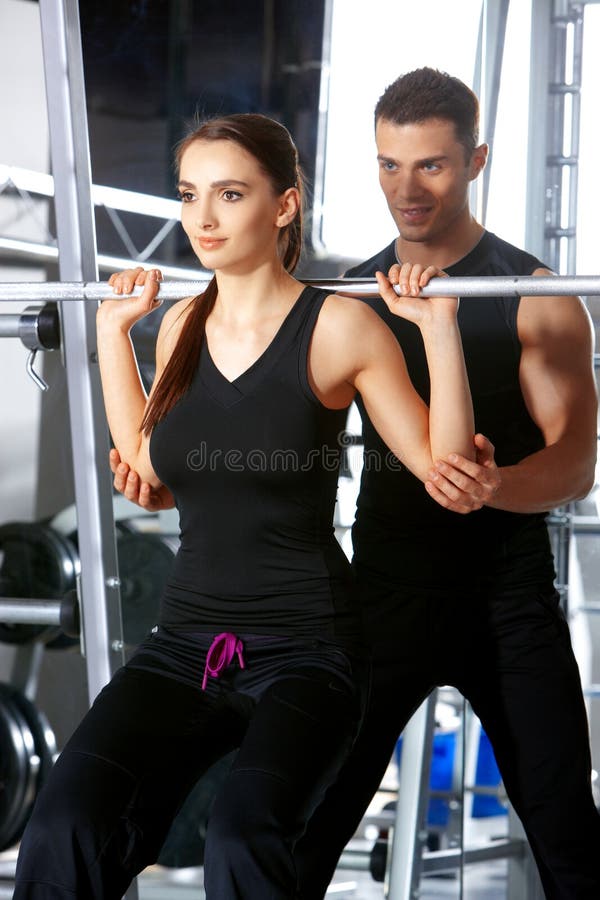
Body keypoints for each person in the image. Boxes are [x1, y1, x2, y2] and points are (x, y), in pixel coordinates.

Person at [112, 69, 600, 898]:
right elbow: (252, 418)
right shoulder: (341, 301)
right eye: (387, 165)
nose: (405, 190)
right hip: (378, 593)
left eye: (432, 167)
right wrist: (168, 472)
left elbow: (577, 462)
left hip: (506, 597)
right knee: (303, 830)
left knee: (565, 829)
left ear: (475, 160)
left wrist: (492, 486)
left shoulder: (534, 297)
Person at [13, 111, 475, 899]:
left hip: (309, 651)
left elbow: (448, 472)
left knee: (242, 836)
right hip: (184, 641)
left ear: (284, 206)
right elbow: (148, 464)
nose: (203, 218)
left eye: (230, 194)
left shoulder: (339, 326)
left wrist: (437, 331)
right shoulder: (183, 323)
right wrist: (113, 333)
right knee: (63, 824)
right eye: (191, 194)